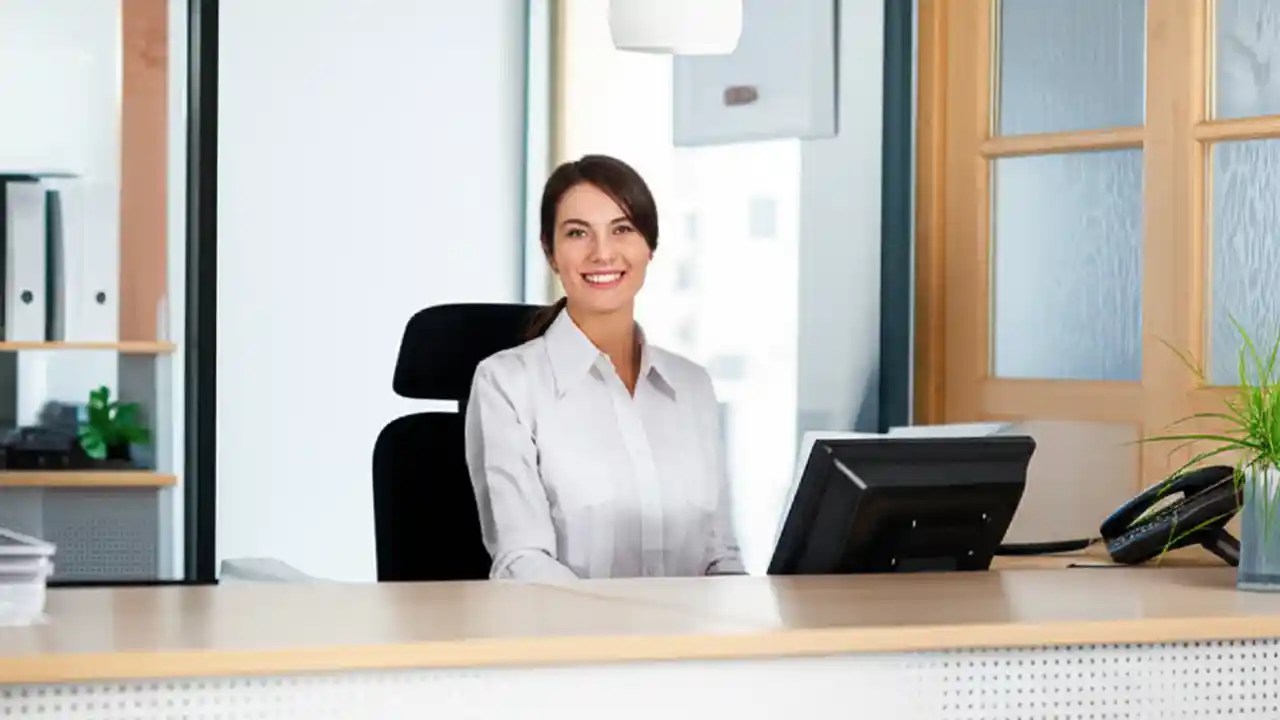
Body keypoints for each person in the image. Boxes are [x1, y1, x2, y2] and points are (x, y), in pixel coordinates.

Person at [464, 154, 744, 581]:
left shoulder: (693, 386)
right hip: (573, 643)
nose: (602, 252)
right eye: (578, 233)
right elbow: (524, 561)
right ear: (550, 252)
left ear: (649, 246)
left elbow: (720, 557)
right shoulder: (507, 384)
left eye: (622, 229)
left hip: (690, 644)